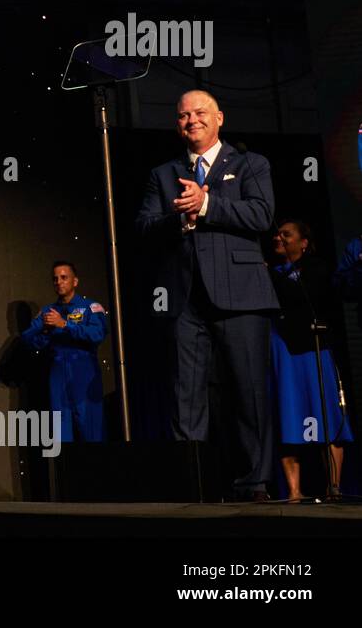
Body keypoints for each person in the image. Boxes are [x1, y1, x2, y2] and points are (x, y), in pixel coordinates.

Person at [135, 89, 279, 501]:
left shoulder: (251, 164)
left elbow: (261, 214)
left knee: (249, 390)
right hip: (184, 299)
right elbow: (143, 228)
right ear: (175, 124)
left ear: (219, 118)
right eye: (182, 115)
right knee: (186, 395)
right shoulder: (162, 175)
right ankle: (192, 482)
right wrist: (177, 218)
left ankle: (253, 482)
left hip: (242, 294)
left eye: (200, 112)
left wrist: (208, 203)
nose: (191, 119)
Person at [269, 219, 352, 499]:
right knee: (289, 417)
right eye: (277, 234)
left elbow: (315, 296)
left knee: (326, 415)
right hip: (284, 350)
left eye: (286, 234)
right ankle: (294, 491)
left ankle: (334, 488)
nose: (278, 238)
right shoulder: (269, 273)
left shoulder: (317, 269)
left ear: (303, 243)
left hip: (316, 349)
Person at [19, 261, 108, 443]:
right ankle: (66, 470)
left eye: (64, 277)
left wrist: (66, 325)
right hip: (58, 374)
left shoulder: (90, 307)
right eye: (55, 279)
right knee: (61, 435)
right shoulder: (48, 312)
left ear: (75, 281)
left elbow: (98, 334)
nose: (59, 282)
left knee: (91, 431)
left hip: (83, 372)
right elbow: (28, 339)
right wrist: (45, 330)